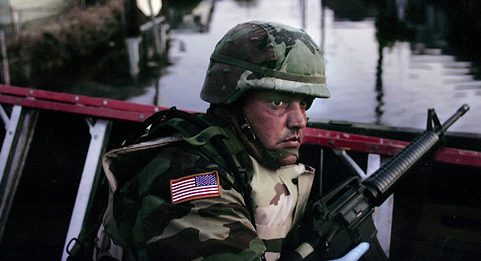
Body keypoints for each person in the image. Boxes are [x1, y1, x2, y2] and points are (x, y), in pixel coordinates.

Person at [93, 21, 369, 261]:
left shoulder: (248, 153)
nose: (299, 121)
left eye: (305, 104)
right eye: (277, 102)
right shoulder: (191, 182)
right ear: (231, 104)